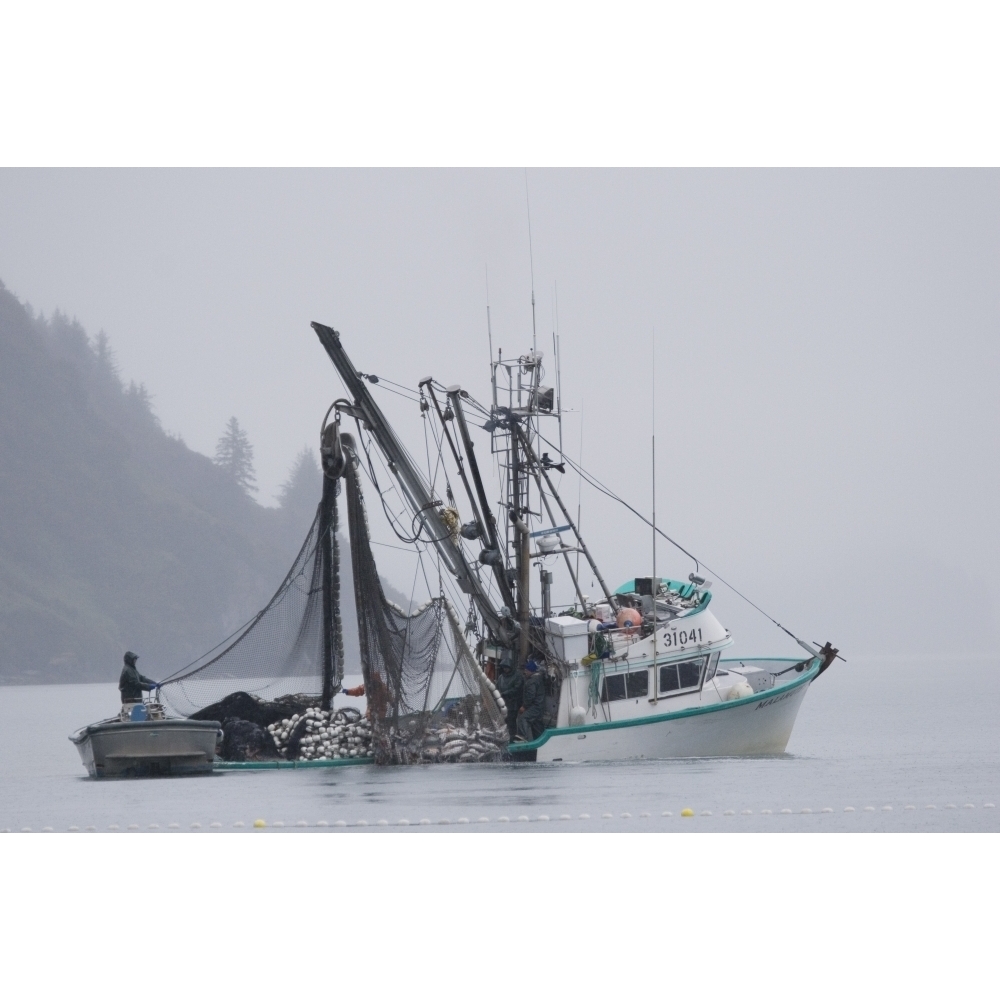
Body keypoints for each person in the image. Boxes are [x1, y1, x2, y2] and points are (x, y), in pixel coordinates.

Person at [516, 659, 546, 742]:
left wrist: (524, 706)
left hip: (535, 706)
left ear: (531, 671)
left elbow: (530, 695)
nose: (525, 672)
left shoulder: (531, 681)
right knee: (536, 724)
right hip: (540, 706)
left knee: (523, 718)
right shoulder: (539, 679)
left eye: (526, 670)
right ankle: (540, 741)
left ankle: (522, 738)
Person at [495, 656, 523, 740]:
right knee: (503, 722)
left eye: (507, 667)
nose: (505, 669)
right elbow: (497, 687)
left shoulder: (517, 676)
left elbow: (517, 689)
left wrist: (505, 693)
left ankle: (512, 737)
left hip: (513, 703)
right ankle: (503, 737)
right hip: (502, 703)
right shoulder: (501, 677)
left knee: (511, 722)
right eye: (504, 668)